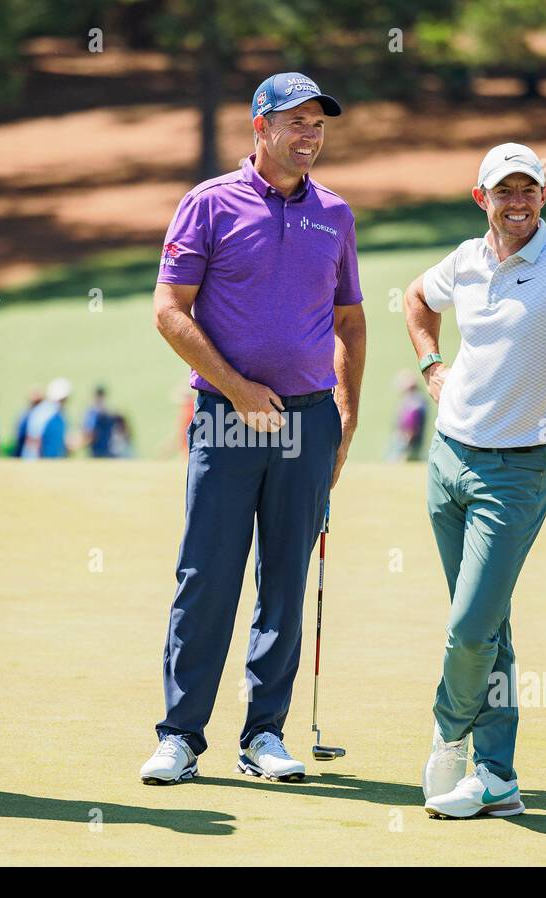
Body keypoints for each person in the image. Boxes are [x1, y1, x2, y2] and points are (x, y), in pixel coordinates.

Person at [141, 72, 365, 785]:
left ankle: (264, 733)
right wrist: (239, 392)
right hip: (227, 419)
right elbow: (170, 310)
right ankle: (180, 734)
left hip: (309, 421)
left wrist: (347, 415)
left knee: (284, 581)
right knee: (206, 575)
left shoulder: (336, 213)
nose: (310, 136)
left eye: (318, 125)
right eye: (296, 123)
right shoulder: (209, 204)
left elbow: (351, 321)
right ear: (260, 128)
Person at [404, 141, 546, 819]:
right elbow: (415, 297)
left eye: (529, 190)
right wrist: (433, 366)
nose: (518, 202)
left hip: (517, 474)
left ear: (544, 197)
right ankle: (497, 778)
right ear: (482, 199)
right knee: (489, 624)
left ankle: (449, 731)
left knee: (469, 628)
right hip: (446, 461)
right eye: (505, 191)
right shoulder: (466, 261)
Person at [387, 371, 428, 461]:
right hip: (412, 442)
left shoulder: (413, 402)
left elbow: (411, 426)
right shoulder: (419, 400)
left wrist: (406, 441)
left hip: (406, 443)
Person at [25, 377, 70, 458]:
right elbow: (34, 441)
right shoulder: (46, 413)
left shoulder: (58, 415)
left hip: (52, 461)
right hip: (40, 461)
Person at [81, 385, 117, 458]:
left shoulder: (96, 413)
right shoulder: (94, 413)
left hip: (102, 451)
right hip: (98, 452)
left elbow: (89, 434)